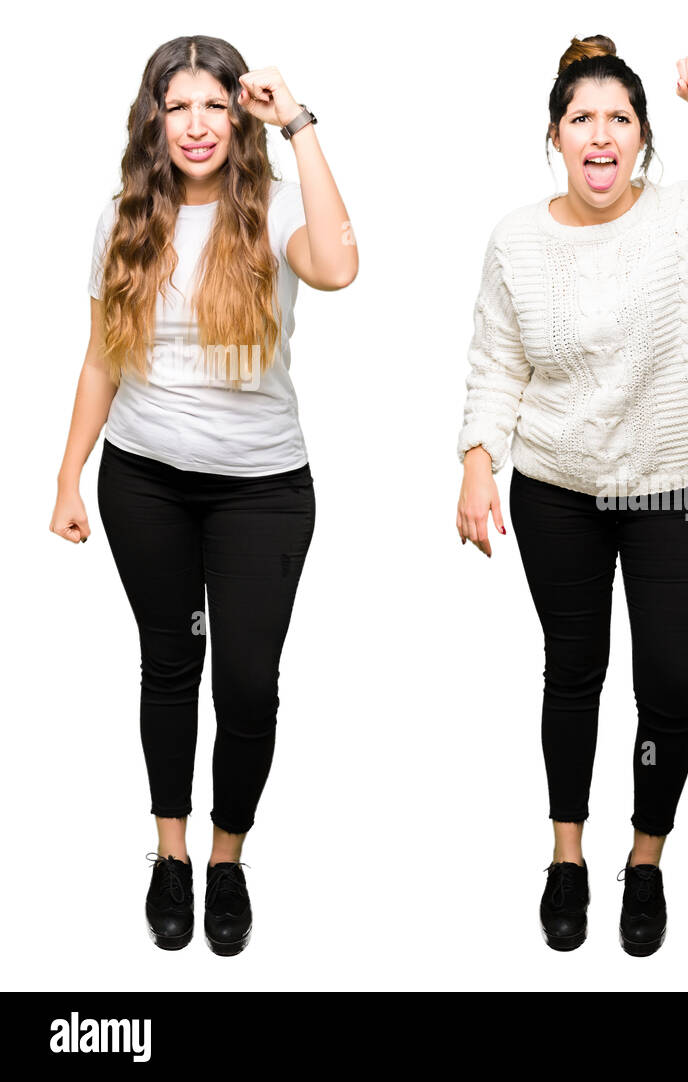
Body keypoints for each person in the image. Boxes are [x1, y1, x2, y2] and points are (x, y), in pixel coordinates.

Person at [455, 35, 688, 955]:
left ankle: (645, 861)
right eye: (583, 119)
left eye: (620, 118)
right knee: (573, 674)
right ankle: (567, 858)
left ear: (646, 138)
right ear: (555, 137)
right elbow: (497, 361)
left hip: (673, 493)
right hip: (557, 493)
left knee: (667, 684)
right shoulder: (516, 239)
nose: (601, 135)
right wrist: (474, 459)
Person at [50, 35, 357, 955]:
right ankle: (171, 855)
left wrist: (297, 122)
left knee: (248, 686)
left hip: (261, 490)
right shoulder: (123, 220)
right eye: (178, 107)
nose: (196, 125)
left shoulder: (277, 211)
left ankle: (228, 858)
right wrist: (68, 472)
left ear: (241, 115)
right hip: (144, 483)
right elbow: (104, 354)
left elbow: (340, 267)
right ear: (155, 119)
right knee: (170, 668)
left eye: (215, 106)